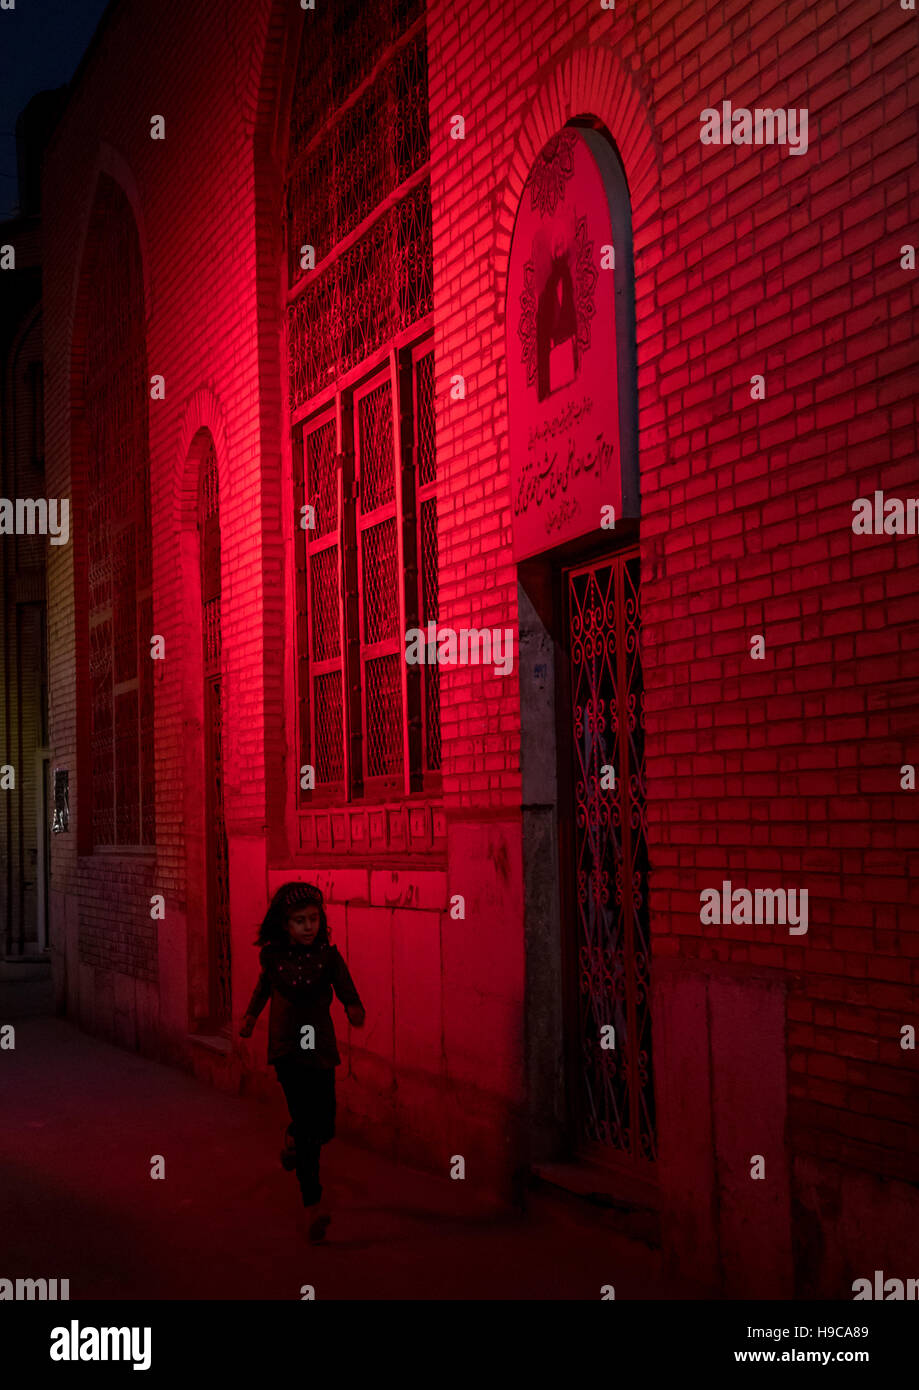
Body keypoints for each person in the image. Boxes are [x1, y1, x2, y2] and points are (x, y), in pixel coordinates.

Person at [239, 881, 365, 1243]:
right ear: (285, 925)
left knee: (324, 1124)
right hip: (287, 1050)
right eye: (299, 921)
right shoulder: (274, 958)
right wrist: (249, 1018)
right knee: (311, 1129)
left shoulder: (327, 956)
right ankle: (313, 1205)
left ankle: (293, 1136)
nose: (308, 926)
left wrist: (354, 1007)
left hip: (320, 1048)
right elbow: (264, 988)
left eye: (313, 919)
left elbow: (344, 984)